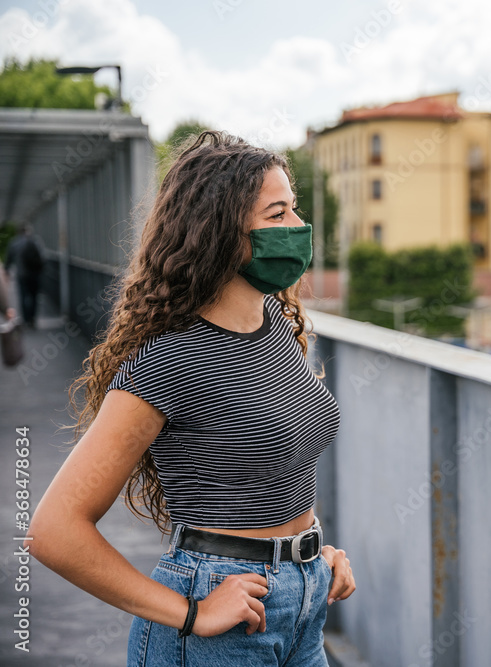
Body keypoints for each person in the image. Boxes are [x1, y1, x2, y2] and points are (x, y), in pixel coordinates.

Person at [28, 131, 355, 666]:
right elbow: (52, 531)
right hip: (219, 616)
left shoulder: (277, 324)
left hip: (304, 606)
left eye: (294, 210)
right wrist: (191, 613)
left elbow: (279, 460)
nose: (299, 229)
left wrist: (314, 550)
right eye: (277, 215)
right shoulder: (168, 361)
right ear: (220, 233)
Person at [4, 223, 45, 327]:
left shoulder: (14, 243)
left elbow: (9, 258)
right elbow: (42, 257)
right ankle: (32, 318)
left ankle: (26, 319)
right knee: (34, 296)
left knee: (23, 296)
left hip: (21, 274)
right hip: (35, 274)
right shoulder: (35, 241)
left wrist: (6, 270)